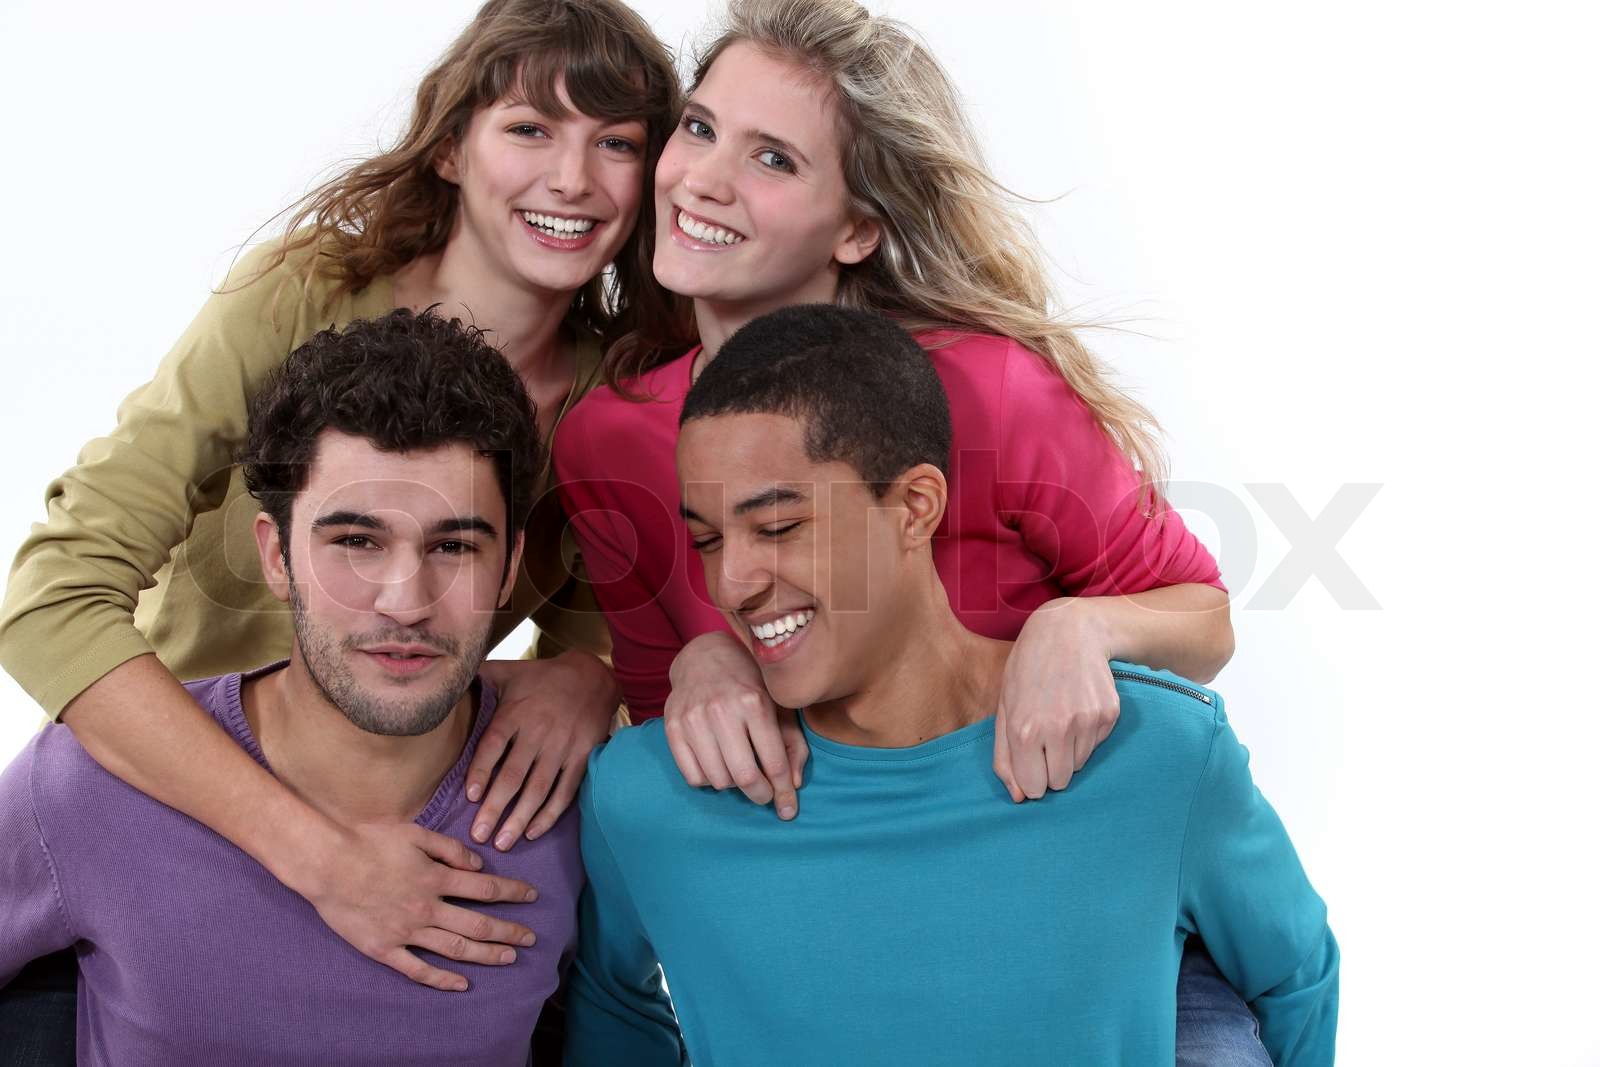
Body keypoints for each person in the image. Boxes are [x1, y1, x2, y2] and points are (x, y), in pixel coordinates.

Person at [551, 2, 1258, 1057]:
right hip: (851, 931)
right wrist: (694, 662)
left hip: (1089, 928)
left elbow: (1202, 617)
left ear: (856, 227)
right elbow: (684, 759)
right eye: (698, 129)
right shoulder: (608, 439)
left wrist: (1081, 627)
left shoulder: (989, 389)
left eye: (772, 159)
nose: (699, 178)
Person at [0, 0, 679, 1007]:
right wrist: (317, 857)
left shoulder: (617, 395)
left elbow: (603, 635)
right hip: (169, 808)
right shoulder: (301, 296)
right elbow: (53, 592)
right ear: (450, 150)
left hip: (401, 827)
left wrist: (589, 670)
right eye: (530, 128)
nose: (573, 179)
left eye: (614, 143)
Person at [563, 305, 1338, 1066]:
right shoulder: (647, 797)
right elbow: (615, 1006)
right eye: (705, 538)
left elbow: (1293, 978)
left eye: (777, 528)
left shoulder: (1159, 752)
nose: (730, 581)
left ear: (915, 507)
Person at [0, 310, 584, 1065]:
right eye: (356, 542)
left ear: (509, 568)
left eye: (453, 545)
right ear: (276, 557)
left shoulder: (576, 809)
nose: (405, 600)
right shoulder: (90, 784)